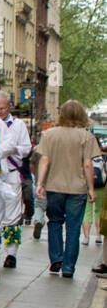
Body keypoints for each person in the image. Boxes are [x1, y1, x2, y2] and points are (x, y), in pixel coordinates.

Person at [35, 100, 100, 278]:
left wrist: (40, 183)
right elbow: (88, 165)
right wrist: (91, 189)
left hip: (54, 186)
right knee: (73, 228)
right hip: (77, 189)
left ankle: (56, 258)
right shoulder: (86, 137)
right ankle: (69, 267)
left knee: (54, 222)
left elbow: (44, 160)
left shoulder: (49, 135)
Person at [0, 92, 32, 269]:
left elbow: (26, 149)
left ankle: (11, 253)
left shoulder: (18, 125)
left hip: (11, 173)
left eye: (2, 108)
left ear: (9, 106)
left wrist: (11, 149)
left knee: (12, 215)